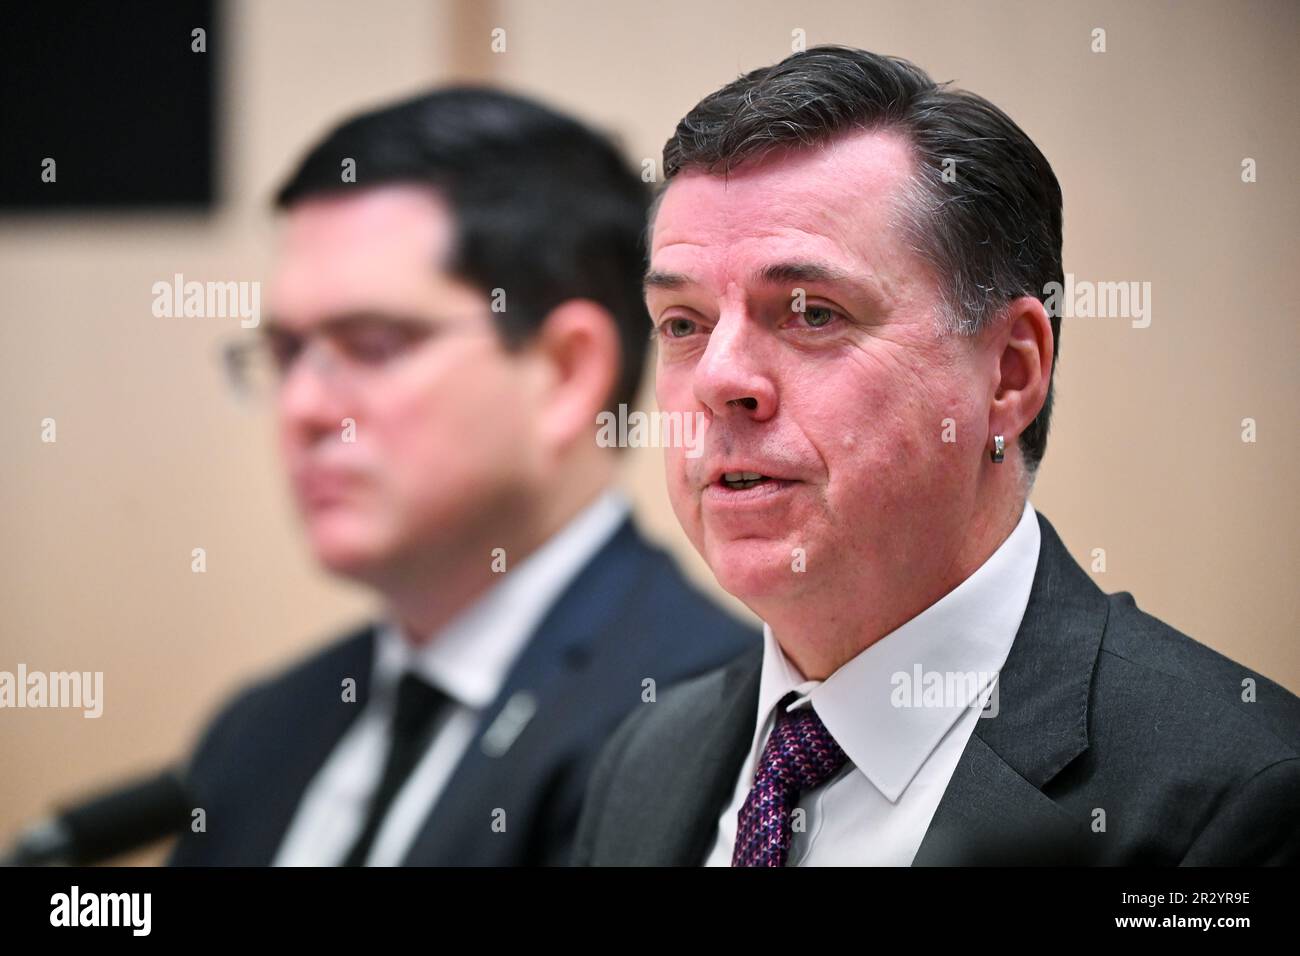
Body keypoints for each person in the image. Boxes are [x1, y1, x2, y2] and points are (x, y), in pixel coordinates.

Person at [572, 46, 1300, 866]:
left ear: (1010, 372)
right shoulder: (644, 759)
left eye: (811, 312)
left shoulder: (1239, 798)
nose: (719, 380)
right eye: (683, 324)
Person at [168, 87, 758, 866]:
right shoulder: (261, 729)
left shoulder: (701, 732)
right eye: (286, 354)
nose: (304, 406)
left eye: (372, 344)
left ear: (565, 372)